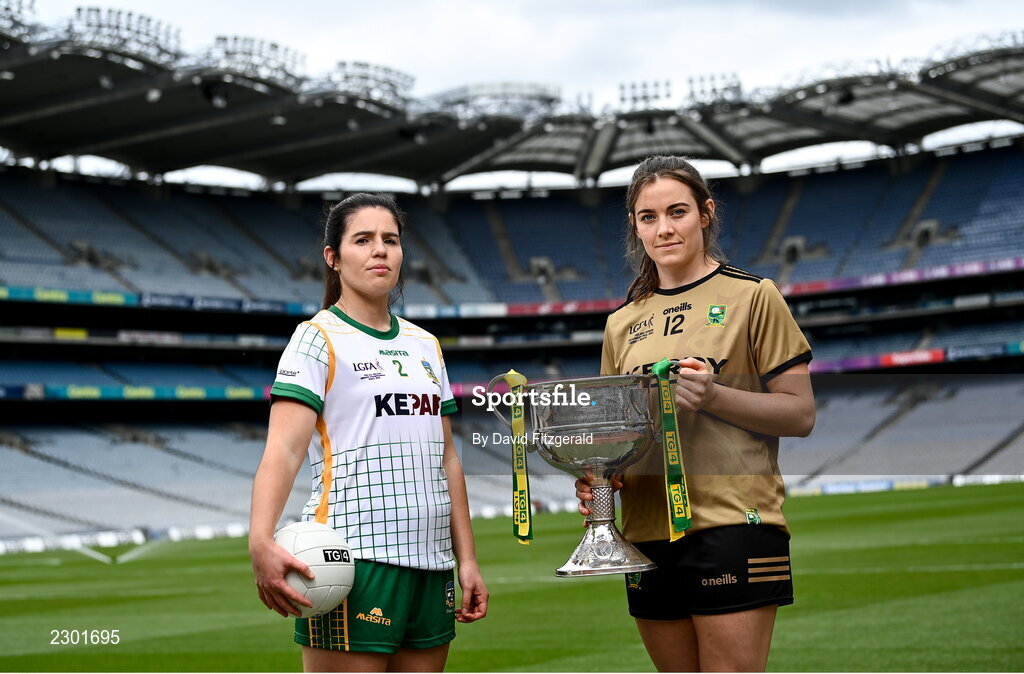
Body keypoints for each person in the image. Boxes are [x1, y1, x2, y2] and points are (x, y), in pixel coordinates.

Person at [577, 156, 815, 672]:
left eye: (678, 212)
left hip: (732, 520)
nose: (664, 228)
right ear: (635, 227)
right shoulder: (621, 323)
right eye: (648, 217)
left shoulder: (754, 296)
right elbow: (620, 433)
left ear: (706, 213)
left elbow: (800, 415)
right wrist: (601, 475)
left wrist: (714, 396)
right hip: (644, 530)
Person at [249, 193, 487, 673]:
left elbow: (447, 460)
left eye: (390, 240)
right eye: (363, 240)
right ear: (333, 259)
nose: (380, 250)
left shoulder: (426, 344)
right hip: (351, 561)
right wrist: (260, 539)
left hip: (432, 566)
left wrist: (467, 559)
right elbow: (285, 446)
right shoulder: (315, 338)